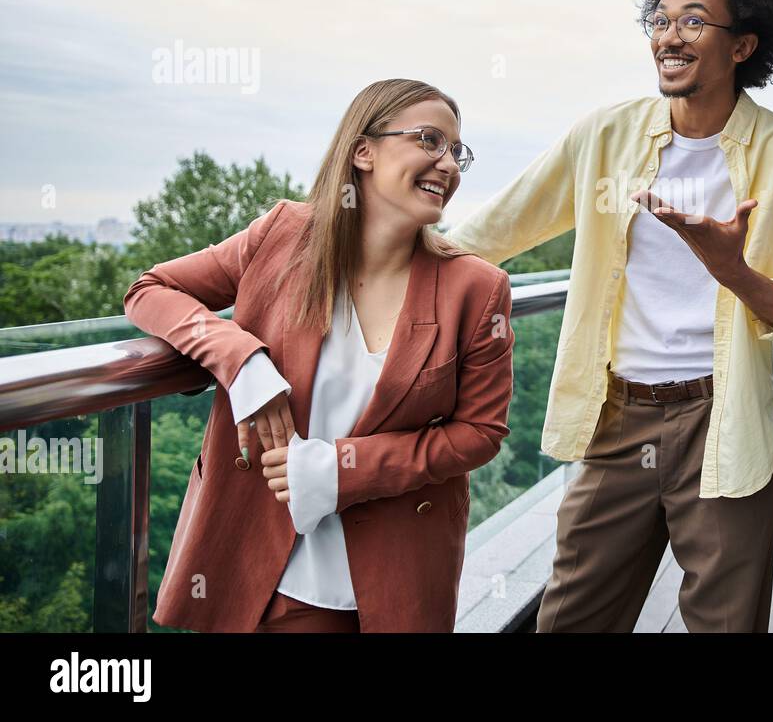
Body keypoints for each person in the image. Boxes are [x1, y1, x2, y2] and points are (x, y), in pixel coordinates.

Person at [444, 0, 773, 632]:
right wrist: (370, 251)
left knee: (728, 624)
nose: (670, 36)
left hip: (728, 422)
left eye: (693, 20)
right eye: (660, 20)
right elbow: (493, 232)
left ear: (742, 45)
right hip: (617, 421)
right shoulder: (604, 137)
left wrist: (735, 273)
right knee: (573, 619)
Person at [123, 78, 513, 632]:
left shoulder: (477, 288)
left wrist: (342, 471)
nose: (447, 164)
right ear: (364, 151)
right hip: (275, 573)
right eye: (429, 140)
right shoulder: (282, 236)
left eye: (456, 152)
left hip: (400, 575)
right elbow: (150, 290)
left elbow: (480, 432)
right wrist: (244, 360)